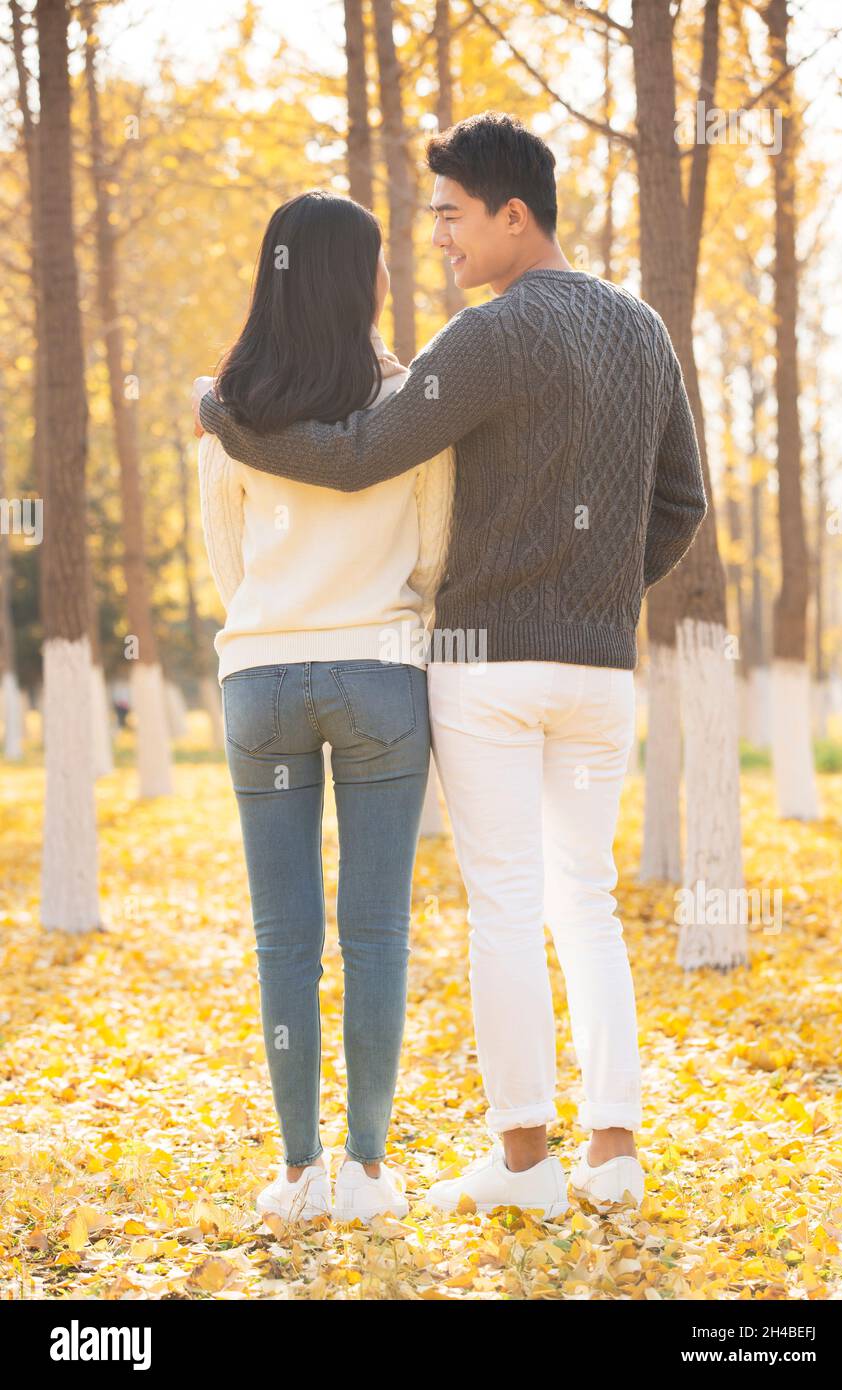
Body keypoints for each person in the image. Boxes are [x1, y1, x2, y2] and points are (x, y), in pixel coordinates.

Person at [196, 112, 707, 1217]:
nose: (437, 242)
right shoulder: (642, 329)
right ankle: (611, 1150)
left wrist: (222, 418)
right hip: (598, 669)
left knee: (504, 902)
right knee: (590, 901)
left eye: (450, 218)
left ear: (510, 216)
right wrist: (603, 593)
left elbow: (357, 455)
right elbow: (681, 503)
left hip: (483, 659)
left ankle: (523, 1160)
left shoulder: (485, 338)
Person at [196, 190, 454, 1223]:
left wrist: (283, 620)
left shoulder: (230, 412)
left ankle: (297, 1172)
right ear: (364, 280)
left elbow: (226, 562)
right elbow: (433, 556)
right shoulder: (411, 405)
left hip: (259, 679)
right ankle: (368, 1171)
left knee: (283, 935)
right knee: (377, 929)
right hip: (380, 673)